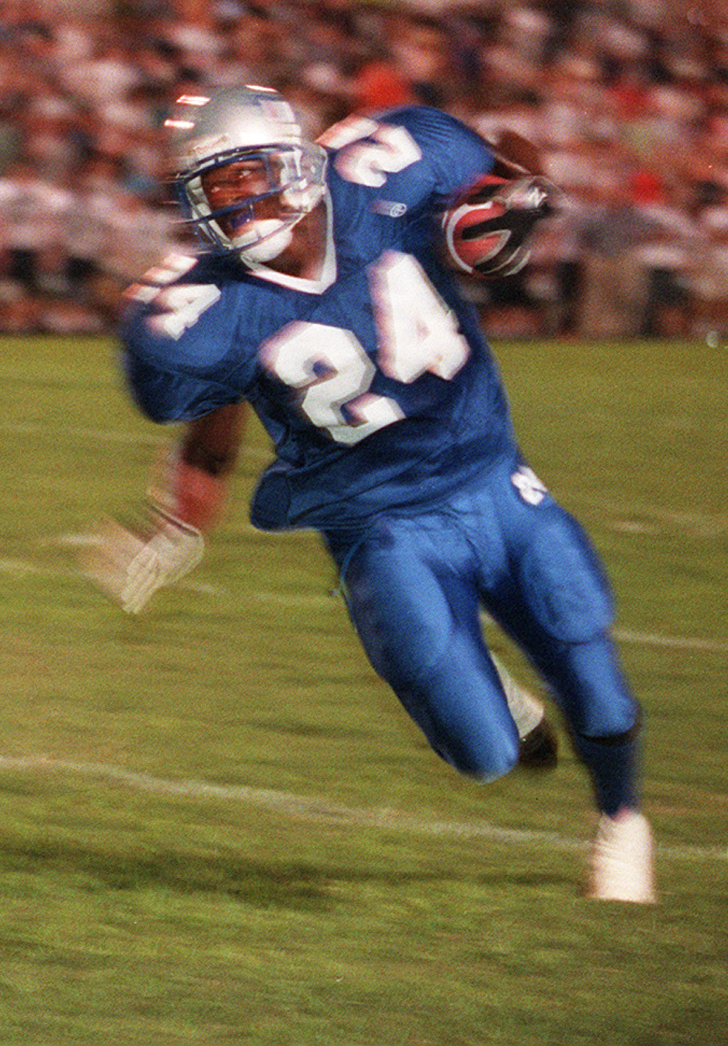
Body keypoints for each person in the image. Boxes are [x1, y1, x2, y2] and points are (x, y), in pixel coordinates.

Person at [91, 85, 653, 903]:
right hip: (377, 523)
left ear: (294, 162)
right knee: (484, 754)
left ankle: (622, 822)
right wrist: (179, 520)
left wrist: (514, 207)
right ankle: (493, 690)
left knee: (590, 668)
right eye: (217, 189)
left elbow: (511, 159)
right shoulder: (199, 309)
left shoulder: (385, 165)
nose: (238, 205)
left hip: (486, 471)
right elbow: (213, 414)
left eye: (248, 176)